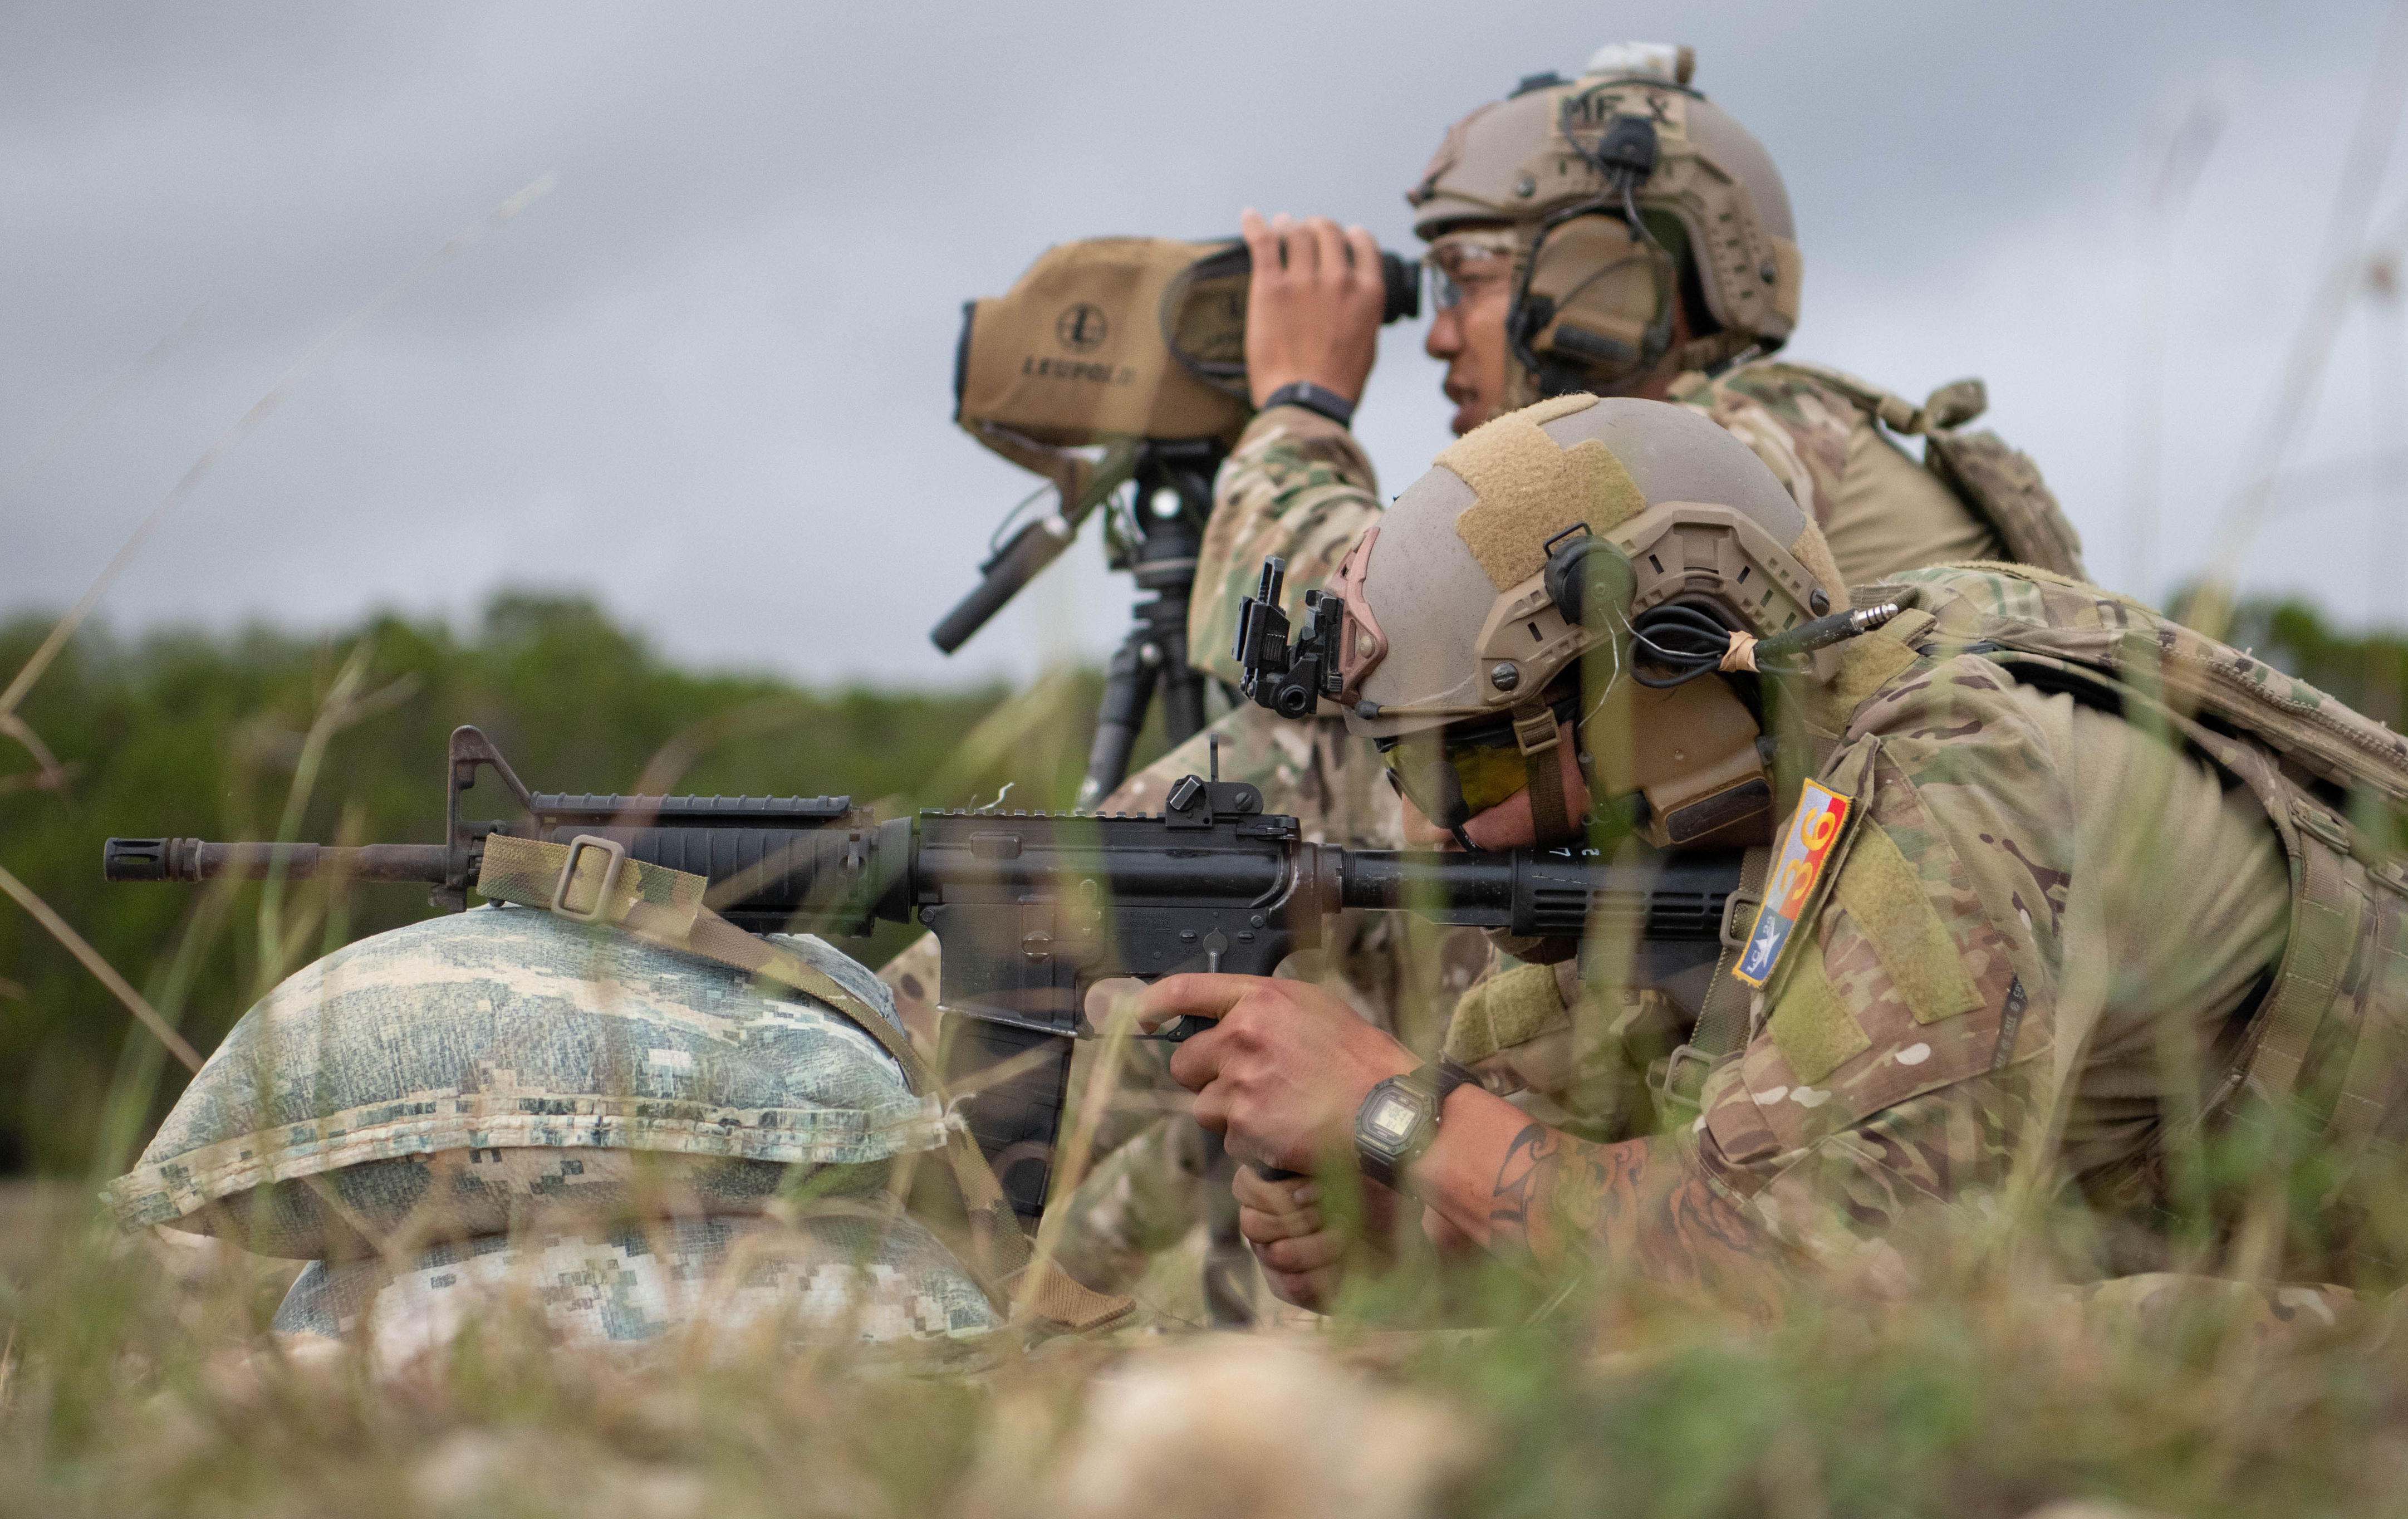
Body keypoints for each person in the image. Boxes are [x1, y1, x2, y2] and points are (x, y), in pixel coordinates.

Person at [880, 40, 2088, 1302]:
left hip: (1869, 994)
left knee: (1300, 775)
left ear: (1604, 281)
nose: (1440, 333)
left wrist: (1296, 409)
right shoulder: (1781, 438)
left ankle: (857, 1079)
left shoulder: (1735, 459)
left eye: (1465, 276)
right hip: (1800, 987)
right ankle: (1020, 1243)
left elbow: (1345, 653)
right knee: (1251, 956)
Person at [1138, 393, 2408, 1311]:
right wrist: (1417, 1223)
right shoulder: (1751, 820)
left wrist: (1394, 1106)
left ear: (1663, 693)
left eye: (1460, 765)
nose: (1429, 828)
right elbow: (1637, 1193)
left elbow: (1799, 1276)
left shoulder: (1953, 777)